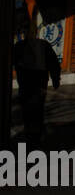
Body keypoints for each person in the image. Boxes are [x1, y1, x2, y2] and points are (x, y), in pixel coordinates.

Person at [13, 18, 60, 147]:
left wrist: (56, 79)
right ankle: (34, 136)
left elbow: (53, 63)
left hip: (32, 82)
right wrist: (56, 79)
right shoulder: (34, 46)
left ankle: (33, 136)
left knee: (32, 110)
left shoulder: (36, 46)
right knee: (33, 110)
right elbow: (54, 64)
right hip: (32, 82)